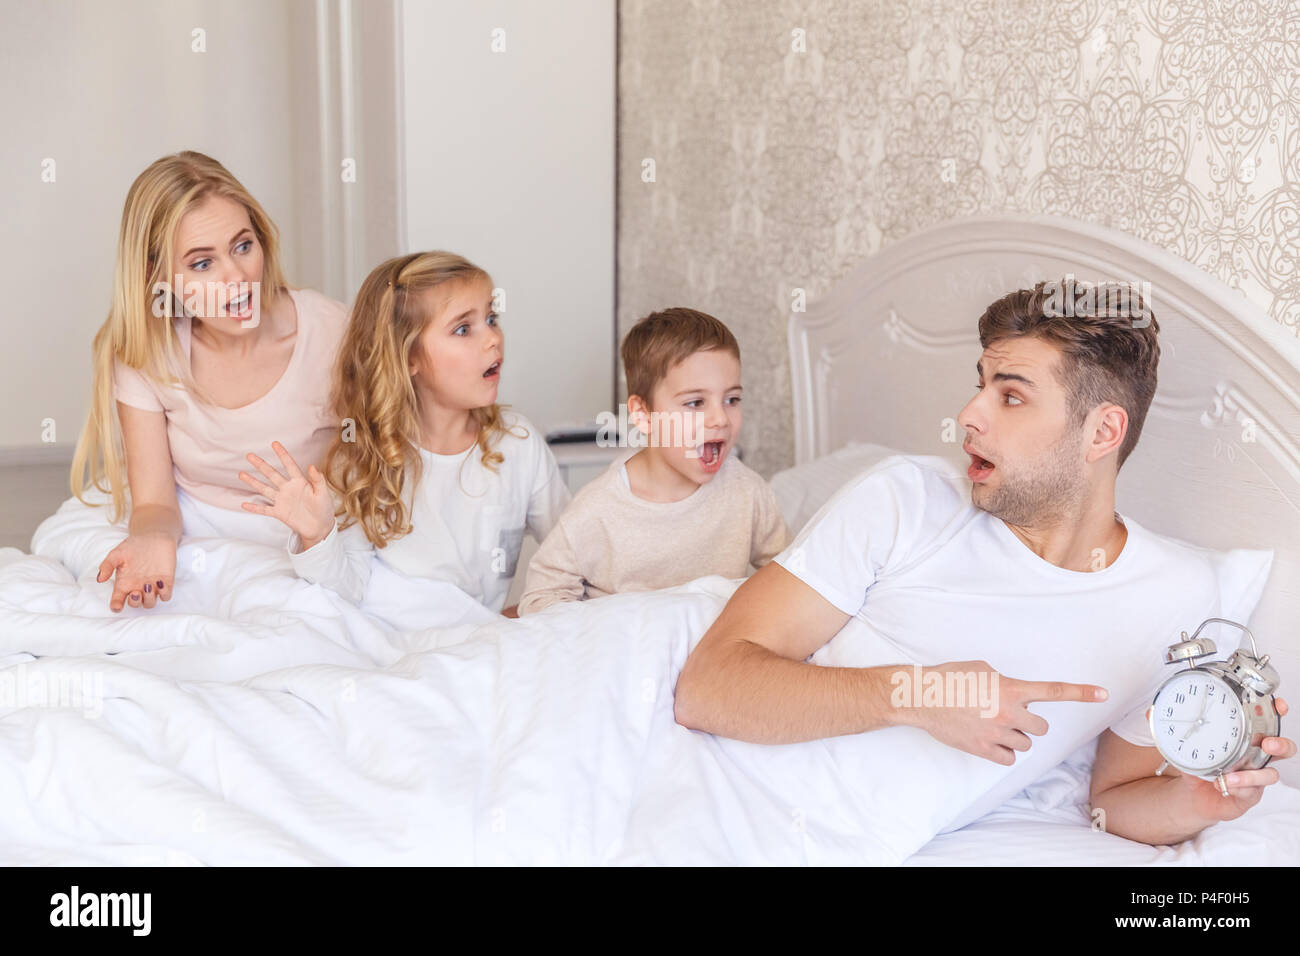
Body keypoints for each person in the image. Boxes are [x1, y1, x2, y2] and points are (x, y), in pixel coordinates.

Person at [674, 279, 1295, 845]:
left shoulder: (1178, 600)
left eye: (1012, 397)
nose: (969, 416)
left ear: (1103, 434)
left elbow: (1114, 802)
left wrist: (1201, 802)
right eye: (980, 385)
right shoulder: (904, 500)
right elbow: (707, 688)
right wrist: (916, 694)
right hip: (700, 795)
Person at [71, 151, 348, 613]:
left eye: (243, 247)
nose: (238, 279)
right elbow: (156, 499)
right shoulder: (147, 354)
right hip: (200, 524)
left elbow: (388, 471)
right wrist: (153, 539)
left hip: (312, 537)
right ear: (158, 278)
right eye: (202, 264)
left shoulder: (334, 333)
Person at [239, 251, 569, 617]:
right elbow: (347, 589)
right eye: (463, 328)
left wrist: (526, 613)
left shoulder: (518, 443)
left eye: (491, 318)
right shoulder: (364, 458)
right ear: (407, 357)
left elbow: (572, 552)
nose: (492, 338)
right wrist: (317, 536)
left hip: (481, 650)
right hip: (394, 646)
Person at [519, 308, 788, 614]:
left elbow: (795, 577)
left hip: (711, 652)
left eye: (732, 400)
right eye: (695, 403)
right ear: (644, 415)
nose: (720, 418)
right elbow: (540, 600)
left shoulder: (748, 492)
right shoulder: (597, 510)